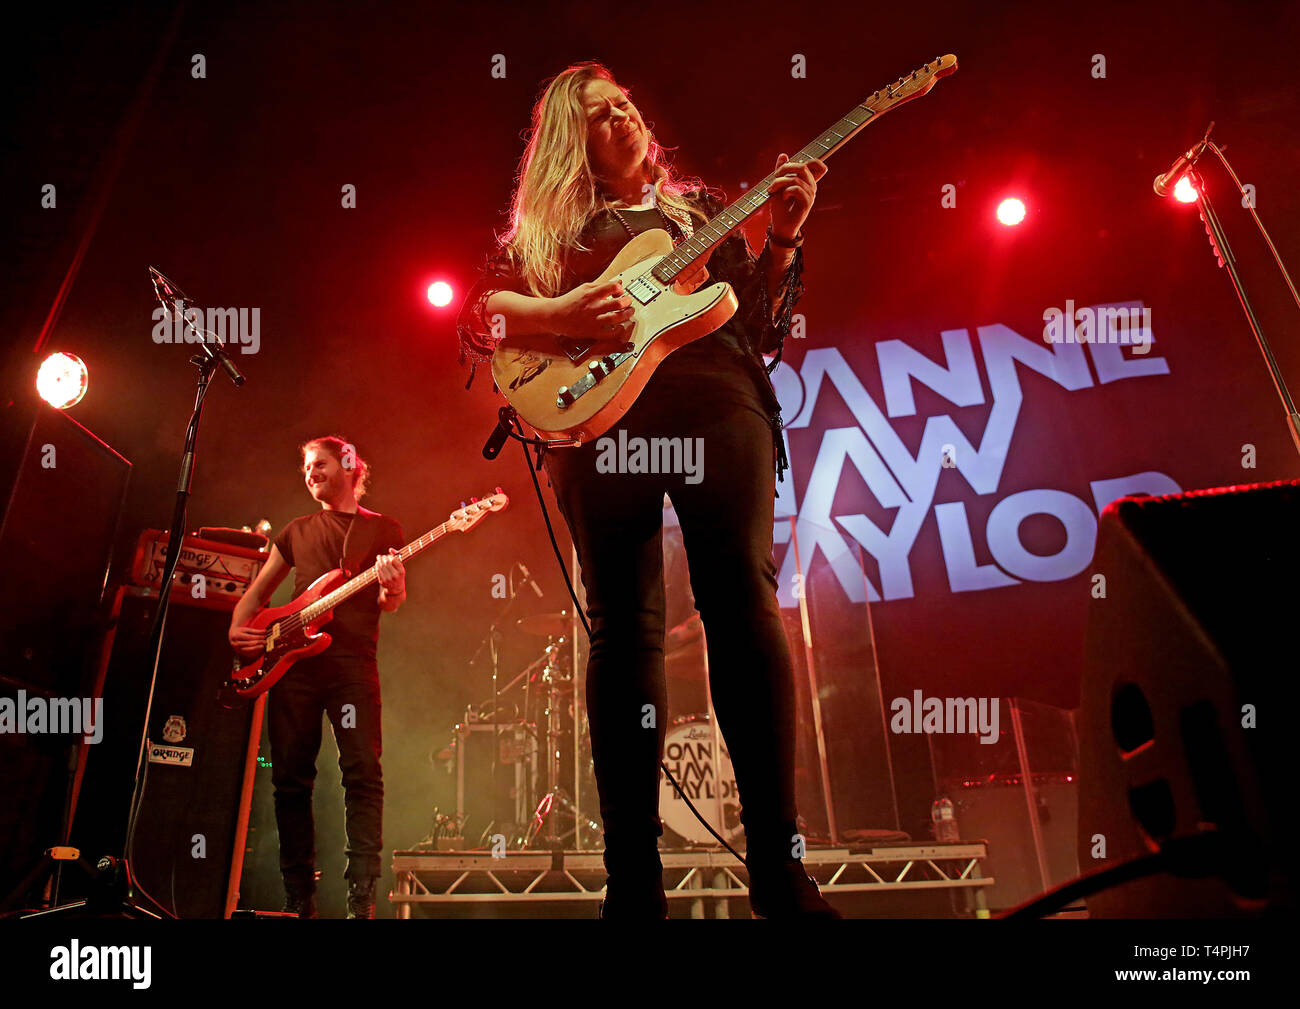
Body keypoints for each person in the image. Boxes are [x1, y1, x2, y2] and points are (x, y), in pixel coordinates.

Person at [456, 61, 837, 918]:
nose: (622, 119)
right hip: (600, 418)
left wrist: (780, 238)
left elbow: (764, 326)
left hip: (718, 400)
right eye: (598, 115)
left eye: (626, 104)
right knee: (625, 630)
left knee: (743, 601)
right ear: (568, 140)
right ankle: (634, 884)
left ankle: (780, 871)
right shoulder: (547, 236)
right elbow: (481, 317)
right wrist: (565, 315)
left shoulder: (697, 213)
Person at [229, 436, 406, 918]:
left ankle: (361, 895)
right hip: (293, 666)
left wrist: (394, 587)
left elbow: (390, 603)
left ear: (350, 466)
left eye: (320, 464)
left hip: (352, 666)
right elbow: (259, 592)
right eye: (306, 468)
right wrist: (237, 628)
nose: (310, 474)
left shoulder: (383, 529)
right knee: (289, 781)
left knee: (363, 775)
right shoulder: (295, 531)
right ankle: (298, 898)